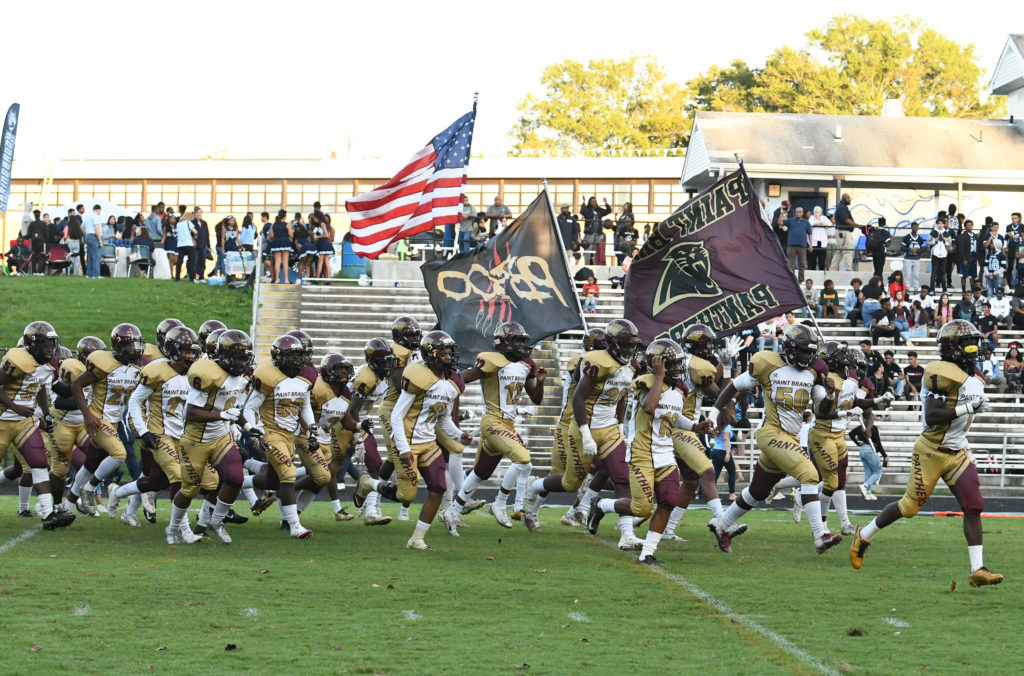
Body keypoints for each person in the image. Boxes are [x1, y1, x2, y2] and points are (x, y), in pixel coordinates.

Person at [849, 320, 1003, 588]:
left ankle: (977, 569)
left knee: (974, 505)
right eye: (968, 343)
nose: (975, 348)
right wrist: (968, 408)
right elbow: (933, 416)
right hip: (931, 450)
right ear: (952, 349)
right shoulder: (939, 372)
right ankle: (865, 533)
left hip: (957, 450)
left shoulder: (974, 373)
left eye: (975, 342)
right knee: (909, 507)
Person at [710, 324, 843, 555]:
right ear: (790, 349)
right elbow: (733, 387)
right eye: (802, 351)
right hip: (771, 432)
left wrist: (830, 395)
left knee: (758, 491)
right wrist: (714, 412)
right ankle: (820, 535)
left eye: (809, 352)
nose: (807, 357)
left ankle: (722, 526)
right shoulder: (767, 362)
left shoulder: (814, 371)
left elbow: (821, 411)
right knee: (810, 474)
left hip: (789, 436)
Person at [521, 320, 642, 550]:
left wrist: (619, 424)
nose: (629, 350)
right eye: (625, 345)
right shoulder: (596, 361)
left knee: (623, 478)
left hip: (609, 430)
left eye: (632, 346)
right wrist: (585, 434)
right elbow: (578, 398)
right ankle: (536, 486)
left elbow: (622, 396)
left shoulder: (632, 366)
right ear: (613, 345)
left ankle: (627, 535)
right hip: (583, 426)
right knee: (569, 484)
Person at [442, 322, 544, 531]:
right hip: (492, 420)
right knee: (523, 459)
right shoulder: (490, 360)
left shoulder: (526, 365)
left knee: (481, 472)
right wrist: (450, 412)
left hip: (508, 423)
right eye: (518, 341)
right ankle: (499, 503)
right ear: (505, 343)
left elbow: (536, 398)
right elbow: (459, 382)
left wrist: (540, 381)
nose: (522, 345)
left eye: (523, 341)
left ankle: (452, 512)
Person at [164, 330, 252, 545]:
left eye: (245, 358)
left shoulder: (240, 378)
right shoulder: (207, 373)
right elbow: (191, 412)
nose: (242, 363)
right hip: (196, 439)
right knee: (189, 490)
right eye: (238, 358)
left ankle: (217, 520)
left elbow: (234, 409)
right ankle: (173, 527)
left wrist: (249, 426)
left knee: (235, 478)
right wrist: (222, 415)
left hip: (221, 436)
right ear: (225, 355)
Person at [390, 331, 471, 550]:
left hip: (428, 442)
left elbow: (442, 417)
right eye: (442, 352)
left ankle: (416, 539)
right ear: (430, 355)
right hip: (408, 440)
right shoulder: (419, 377)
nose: (448, 356)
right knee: (407, 494)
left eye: (449, 352)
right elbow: (396, 415)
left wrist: (457, 435)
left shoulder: (452, 383)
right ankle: (373, 485)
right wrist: (404, 448)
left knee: (438, 487)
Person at [0, 322, 75, 529]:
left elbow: (42, 388)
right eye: (45, 344)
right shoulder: (17, 360)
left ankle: (48, 513)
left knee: (39, 461)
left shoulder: (48, 365)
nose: (49, 349)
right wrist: (15, 406)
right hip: (3, 418)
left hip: (24, 420)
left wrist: (48, 414)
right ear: (32, 345)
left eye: (51, 344)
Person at [66, 324, 145, 515]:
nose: (135, 349)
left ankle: (66, 508)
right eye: (129, 345)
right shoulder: (103, 363)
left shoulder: (136, 368)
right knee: (119, 454)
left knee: (90, 464)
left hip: (114, 420)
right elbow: (77, 385)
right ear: (118, 346)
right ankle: (90, 488)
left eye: (136, 344)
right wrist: (88, 415)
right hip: (98, 418)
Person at [850, 416, 886, 500]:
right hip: (870, 449)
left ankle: (868, 493)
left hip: (862, 450)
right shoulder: (873, 428)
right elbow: (878, 443)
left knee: (868, 472)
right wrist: (884, 455)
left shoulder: (860, 427)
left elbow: (851, 434)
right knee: (878, 471)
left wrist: (857, 443)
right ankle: (865, 486)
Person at [834, 193, 863, 271]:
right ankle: (849, 269)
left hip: (842, 232)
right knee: (847, 251)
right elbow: (846, 220)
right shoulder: (841, 207)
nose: (849, 199)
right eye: (847, 198)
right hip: (844, 232)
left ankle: (832, 269)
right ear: (843, 199)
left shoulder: (842, 207)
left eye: (849, 198)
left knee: (839, 252)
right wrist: (858, 225)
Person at [785, 206, 812, 282]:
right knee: (791, 264)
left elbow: (810, 233)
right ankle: (792, 281)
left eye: (800, 212)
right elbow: (780, 222)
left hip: (802, 246)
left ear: (802, 213)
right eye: (796, 212)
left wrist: (810, 245)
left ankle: (801, 280)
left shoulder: (806, 222)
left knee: (802, 264)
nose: (798, 213)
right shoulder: (790, 220)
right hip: (791, 246)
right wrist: (781, 213)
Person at [901, 221, 926, 292]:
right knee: (907, 275)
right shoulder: (906, 237)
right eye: (914, 226)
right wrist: (909, 249)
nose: (915, 228)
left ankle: (916, 289)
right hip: (908, 259)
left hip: (916, 259)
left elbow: (923, 249)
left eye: (917, 227)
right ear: (911, 227)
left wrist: (917, 250)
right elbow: (902, 248)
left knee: (916, 275)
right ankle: (907, 289)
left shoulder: (920, 238)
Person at [269, 209, 292, 284]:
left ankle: (276, 280)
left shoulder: (274, 224)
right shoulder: (287, 224)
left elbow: (271, 235)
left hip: (276, 242)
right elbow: (291, 235)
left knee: (277, 262)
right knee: (285, 262)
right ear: (285, 216)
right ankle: (286, 280)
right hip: (285, 242)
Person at [929, 217, 951, 293]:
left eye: (942, 223)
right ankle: (932, 289)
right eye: (939, 223)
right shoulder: (933, 232)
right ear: (937, 224)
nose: (940, 225)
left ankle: (945, 290)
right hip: (935, 254)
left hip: (944, 255)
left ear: (944, 224)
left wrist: (945, 242)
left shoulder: (947, 233)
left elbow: (950, 244)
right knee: (934, 273)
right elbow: (928, 242)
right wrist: (934, 241)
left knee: (943, 273)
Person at [82, 204, 105, 279]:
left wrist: (87, 232)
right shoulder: (96, 216)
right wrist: (100, 240)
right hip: (94, 237)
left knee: (90, 256)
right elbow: (97, 228)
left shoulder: (87, 216)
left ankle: (89, 274)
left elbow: (81, 227)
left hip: (88, 236)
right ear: (98, 210)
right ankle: (96, 274)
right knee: (96, 256)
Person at [174, 213, 196, 282]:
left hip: (180, 244)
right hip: (189, 243)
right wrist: (194, 236)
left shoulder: (178, 224)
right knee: (191, 261)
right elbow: (195, 231)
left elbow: (177, 234)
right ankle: (191, 278)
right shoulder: (188, 222)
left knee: (179, 261)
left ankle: (177, 277)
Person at [957, 220, 977, 293]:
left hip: (974, 257)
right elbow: (961, 249)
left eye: (971, 225)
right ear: (965, 227)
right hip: (966, 257)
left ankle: (972, 291)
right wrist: (964, 259)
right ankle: (963, 291)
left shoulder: (975, 236)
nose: (969, 226)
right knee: (964, 275)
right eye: (968, 225)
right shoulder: (963, 236)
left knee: (972, 276)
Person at [808, 206, 830, 270]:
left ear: (820, 212)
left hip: (822, 242)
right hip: (813, 242)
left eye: (817, 212)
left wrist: (823, 224)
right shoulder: (811, 218)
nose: (815, 213)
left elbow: (829, 224)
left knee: (822, 260)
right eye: (814, 212)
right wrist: (820, 223)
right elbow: (811, 224)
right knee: (812, 261)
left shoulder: (824, 218)